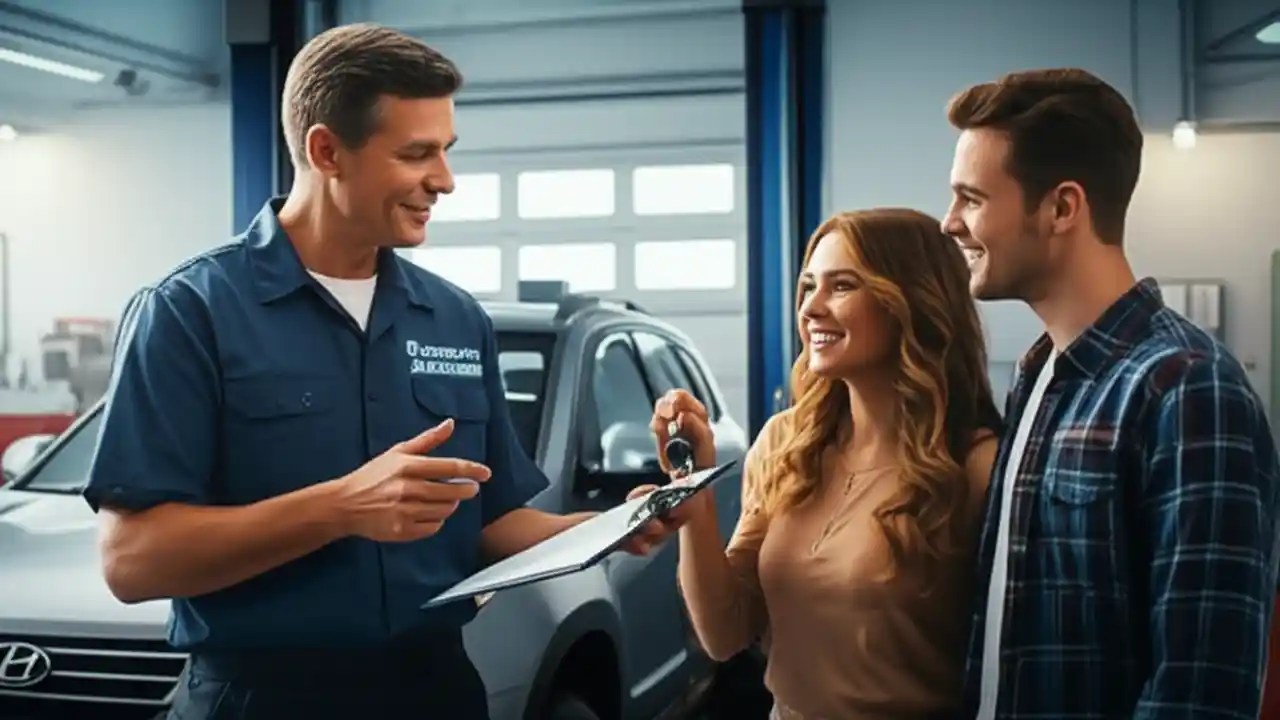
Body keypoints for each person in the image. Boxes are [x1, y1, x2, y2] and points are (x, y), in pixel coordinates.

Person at [82, 23, 652, 719]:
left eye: (445, 151)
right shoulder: (189, 313)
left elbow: (490, 522)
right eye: (417, 154)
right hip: (262, 699)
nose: (443, 180)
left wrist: (606, 527)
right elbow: (133, 562)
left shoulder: (454, 319)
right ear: (327, 151)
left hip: (435, 690)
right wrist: (342, 507)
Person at [941, 67, 1280, 719]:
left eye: (972, 198)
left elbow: (1199, 690)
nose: (948, 222)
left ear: (1063, 207)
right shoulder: (1039, 374)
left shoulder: (1188, 388)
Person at [629, 208, 1005, 719]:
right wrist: (693, 498)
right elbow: (723, 634)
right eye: (808, 287)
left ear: (911, 301)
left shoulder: (977, 466)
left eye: (843, 285)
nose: (811, 308)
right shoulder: (784, 442)